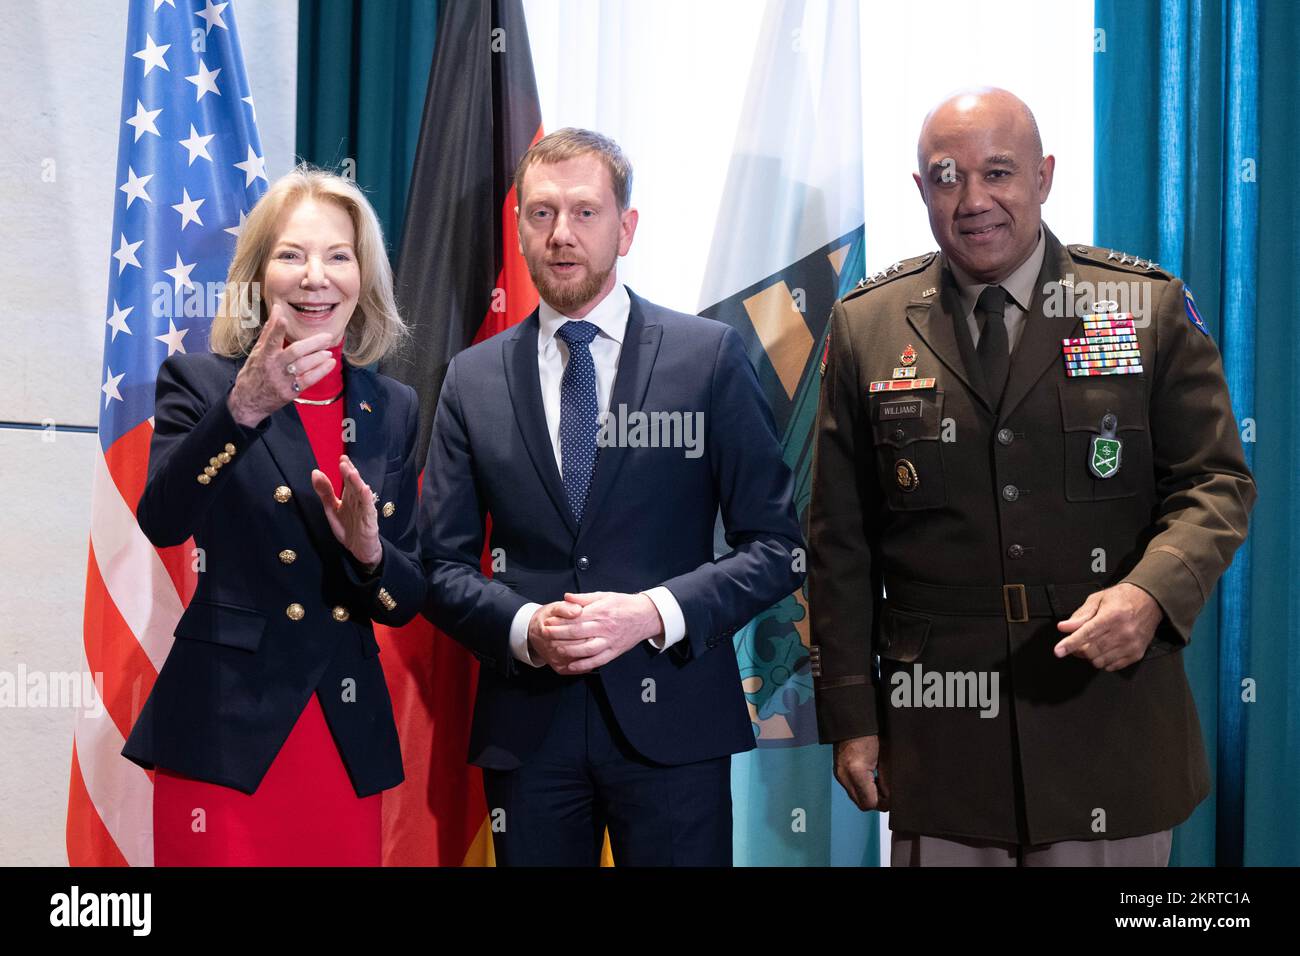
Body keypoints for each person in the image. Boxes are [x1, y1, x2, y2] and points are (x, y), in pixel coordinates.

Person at [808, 89, 1256, 866]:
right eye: (947, 178)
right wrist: (852, 714)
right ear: (921, 190)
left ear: (1044, 177)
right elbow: (839, 541)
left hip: (1109, 723)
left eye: (1000, 173)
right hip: (940, 740)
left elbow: (1215, 483)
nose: (974, 201)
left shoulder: (1141, 306)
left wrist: (1152, 594)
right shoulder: (866, 326)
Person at [420, 128, 803, 866]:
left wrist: (651, 613)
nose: (562, 234)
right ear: (521, 228)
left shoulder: (708, 358)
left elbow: (778, 548)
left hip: (677, 727)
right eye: (540, 213)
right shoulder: (470, 379)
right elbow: (439, 564)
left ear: (626, 228)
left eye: (585, 212)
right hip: (528, 735)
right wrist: (528, 626)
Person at [122, 167, 427, 866]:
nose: (315, 276)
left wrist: (371, 552)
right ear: (259, 275)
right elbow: (163, 520)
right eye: (291, 254)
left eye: (338, 256)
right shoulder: (202, 383)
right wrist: (245, 409)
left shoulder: (394, 407)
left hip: (342, 732)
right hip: (227, 724)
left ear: (363, 276)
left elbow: (405, 598)